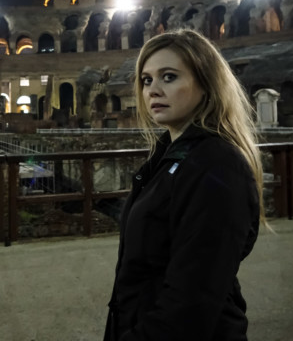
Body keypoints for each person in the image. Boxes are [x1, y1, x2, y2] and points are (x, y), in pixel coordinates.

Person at [104, 29, 264, 340]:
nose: (153, 90)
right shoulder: (169, 156)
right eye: (147, 80)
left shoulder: (217, 164)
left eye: (169, 77)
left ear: (205, 84)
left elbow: (193, 299)